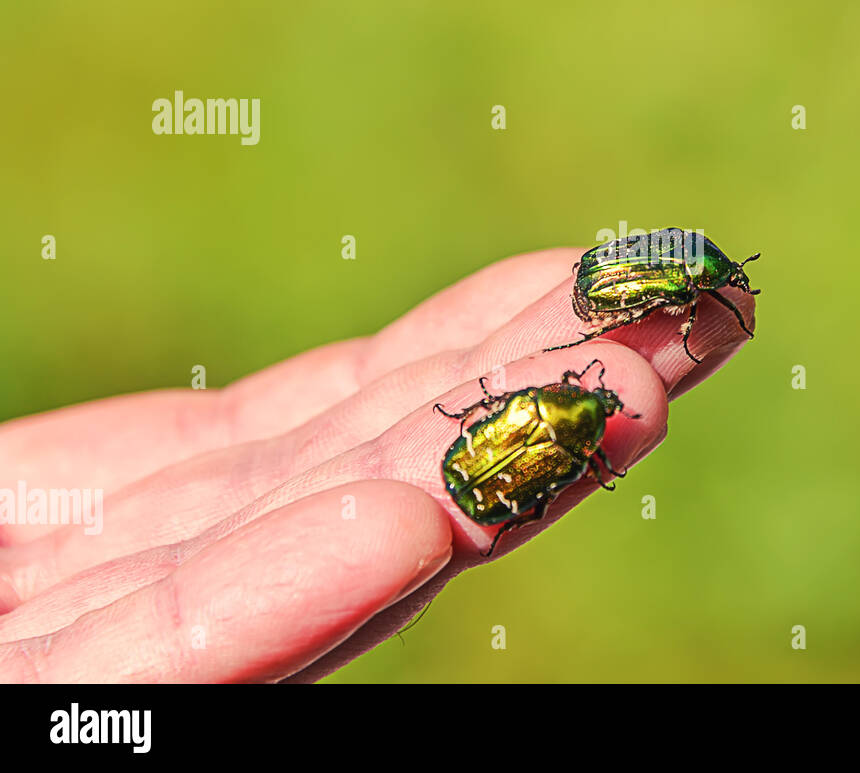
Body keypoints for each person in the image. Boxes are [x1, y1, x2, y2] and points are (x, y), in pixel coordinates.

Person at [0, 246, 755, 682]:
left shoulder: (546, 416)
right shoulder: (563, 426)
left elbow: (503, 425)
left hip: (498, 445)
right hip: (504, 444)